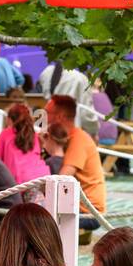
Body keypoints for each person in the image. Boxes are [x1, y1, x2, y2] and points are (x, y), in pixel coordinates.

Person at [41, 93, 106, 224]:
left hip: (89, 213)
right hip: (75, 206)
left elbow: (62, 179)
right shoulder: (69, 137)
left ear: (59, 117)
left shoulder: (78, 139)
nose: (43, 117)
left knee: (35, 219)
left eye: (47, 113)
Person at [0, 102, 50, 189]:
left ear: (9, 119)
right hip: (38, 180)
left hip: (16, 183)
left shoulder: (6, 134)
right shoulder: (34, 136)